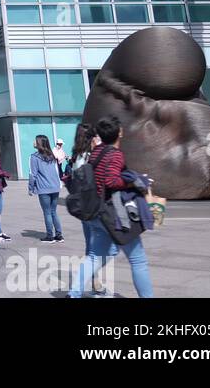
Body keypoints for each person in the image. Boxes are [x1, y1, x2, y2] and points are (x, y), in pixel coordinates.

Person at [68, 116, 154, 299]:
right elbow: (111, 181)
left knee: (94, 257)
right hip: (114, 216)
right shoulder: (115, 154)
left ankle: (73, 294)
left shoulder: (96, 152)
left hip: (98, 214)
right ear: (120, 132)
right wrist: (132, 183)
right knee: (138, 260)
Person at [29, 134, 63, 243]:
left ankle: (49, 236)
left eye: (35, 140)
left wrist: (30, 188)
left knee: (47, 212)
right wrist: (59, 184)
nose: (34, 142)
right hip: (55, 186)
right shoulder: (52, 156)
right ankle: (59, 235)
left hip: (44, 188)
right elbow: (57, 171)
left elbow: (32, 174)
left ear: (39, 143)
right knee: (53, 211)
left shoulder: (34, 157)